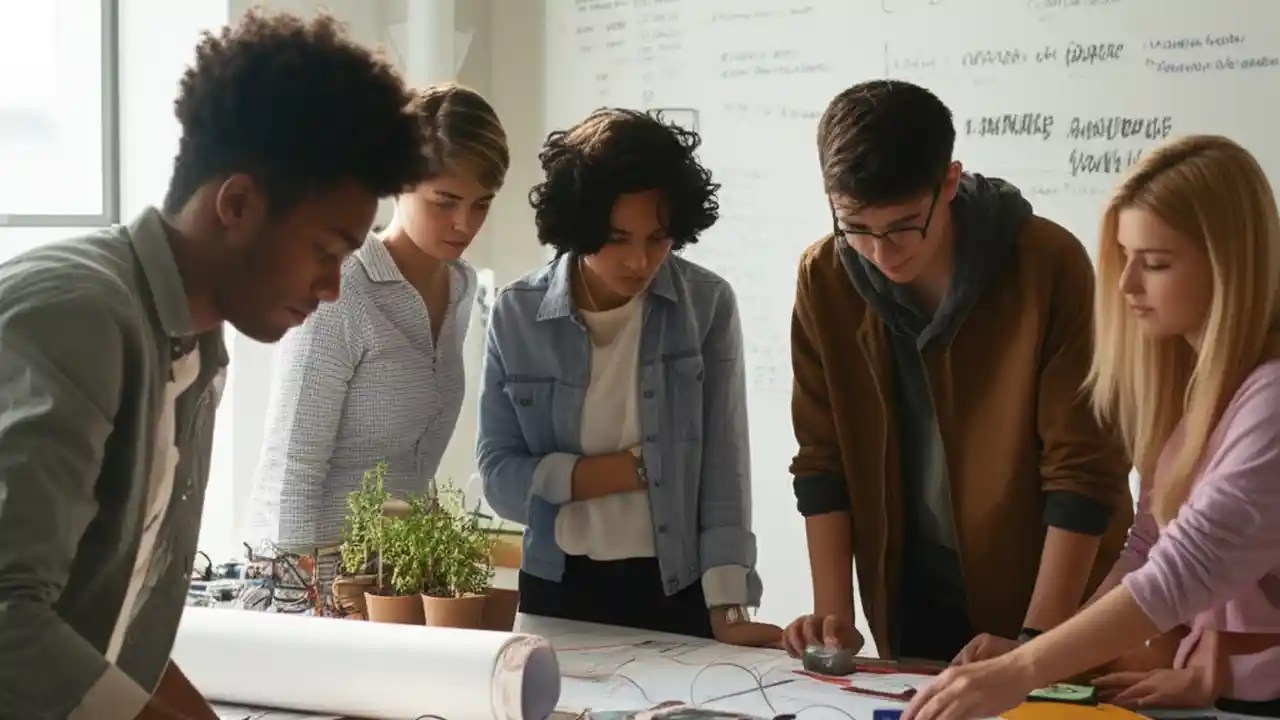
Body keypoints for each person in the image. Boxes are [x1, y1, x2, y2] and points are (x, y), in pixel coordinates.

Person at [0, 10, 427, 719]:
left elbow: (114, 620)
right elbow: (7, 619)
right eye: (327, 250)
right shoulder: (77, 316)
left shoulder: (192, 347)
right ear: (237, 203)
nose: (332, 288)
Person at [903, 134, 1280, 720]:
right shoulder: (1188, 386)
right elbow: (1149, 545)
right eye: (1125, 257)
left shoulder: (1272, 399)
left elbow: (1187, 566)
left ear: (1228, 264)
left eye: (1154, 263)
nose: (1127, 286)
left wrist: (1026, 667)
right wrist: (1046, 653)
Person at [782, 79, 1133, 662]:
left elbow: (1084, 472)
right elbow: (823, 459)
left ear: (948, 181)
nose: (882, 254)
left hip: (1051, 600)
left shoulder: (1047, 264)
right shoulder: (825, 276)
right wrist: (833, 620)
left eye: (902, 225)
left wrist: (1036, 645)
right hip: (911, 591)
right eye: (856, 228)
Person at [477, 108, 780, 646]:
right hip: (557, 586)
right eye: (617, 238)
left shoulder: (707, 305)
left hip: (676, 589)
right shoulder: (516, 314)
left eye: (658, 237)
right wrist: (632, 470)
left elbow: (724, 466)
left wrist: (729, 608)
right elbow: (499, 477)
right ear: (577, 225)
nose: (640, 260)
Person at [247, 82, 509, 600]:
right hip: (313, 578)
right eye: (446, 201)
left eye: (481, 205)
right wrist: (300, 600)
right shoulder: (342, 288)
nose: (464, 224)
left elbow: (411, 458)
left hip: (395, 579)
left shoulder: (461, 286)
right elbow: (292, 465)